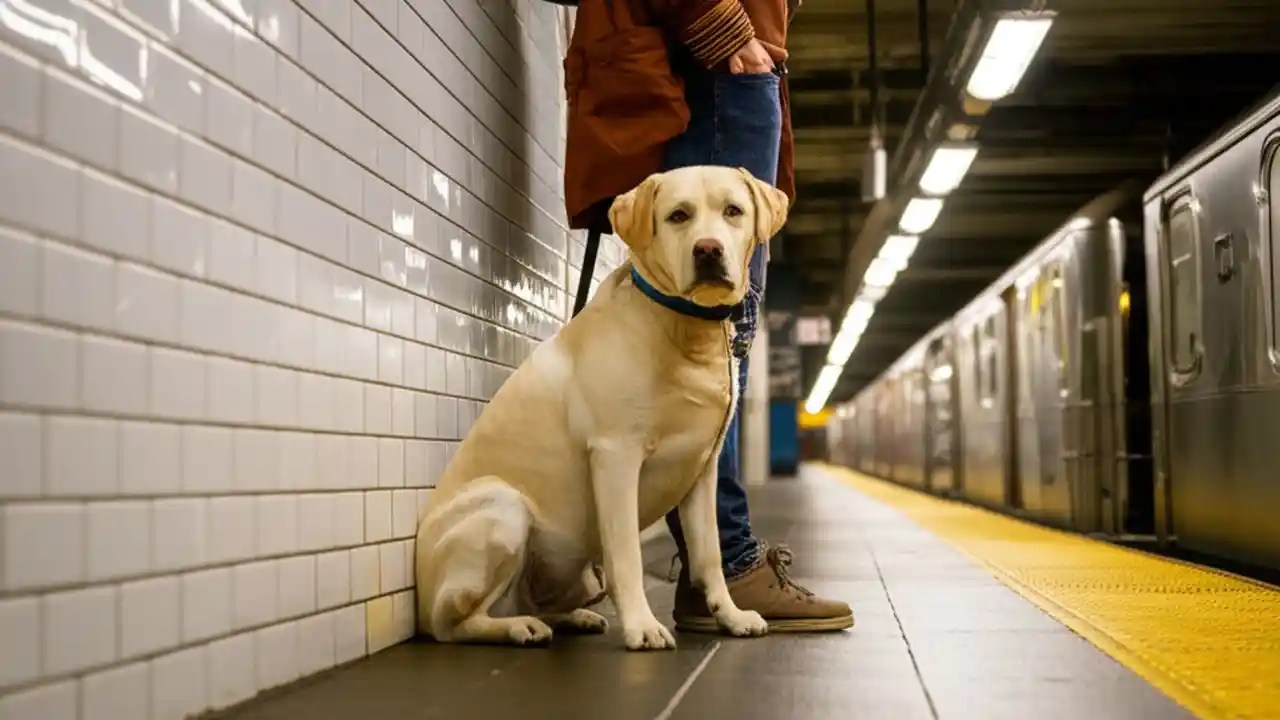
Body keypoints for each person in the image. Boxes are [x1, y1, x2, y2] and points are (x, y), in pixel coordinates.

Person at [563, 0, 853, 633]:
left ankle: (712, 565)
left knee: (717, 342)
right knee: (717, 340)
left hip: (723, 68)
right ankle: (723, 565)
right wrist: (732, 37)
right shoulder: (725, 52)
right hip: (719, 67)